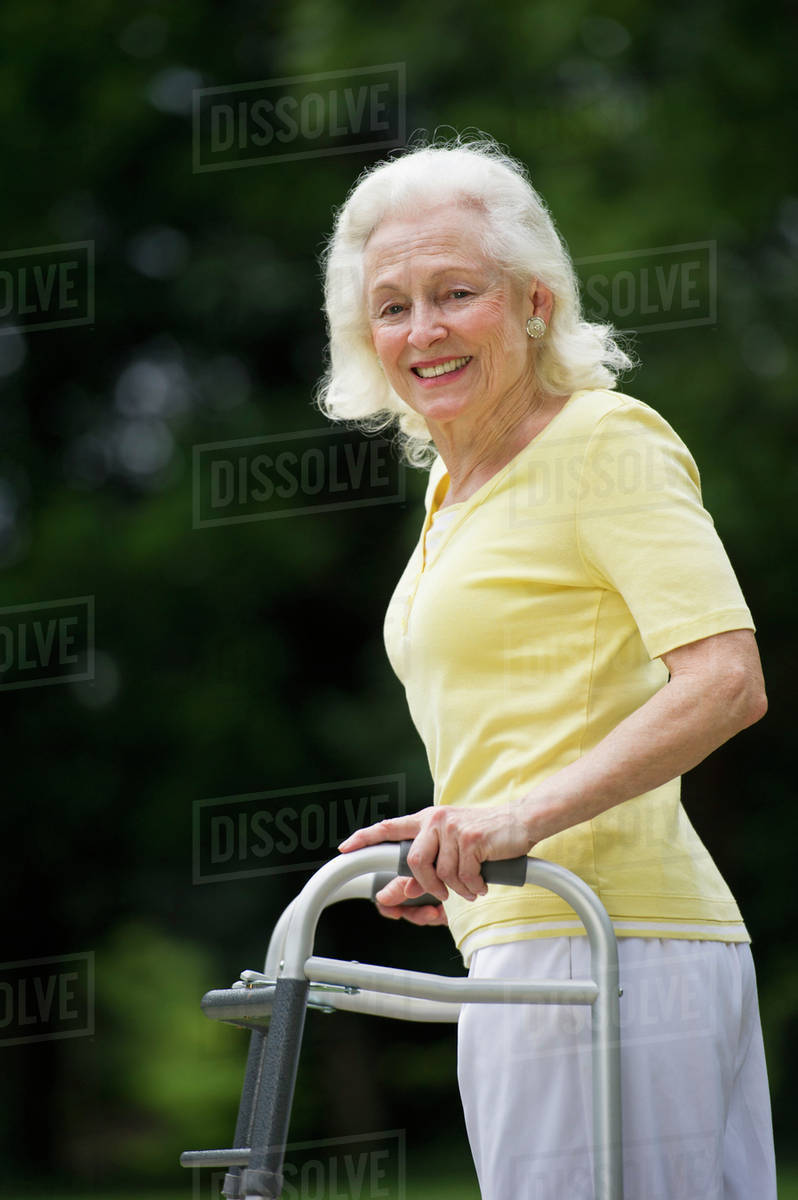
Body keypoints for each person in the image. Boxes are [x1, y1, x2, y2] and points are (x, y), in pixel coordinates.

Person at [317, 134, 777, 1198]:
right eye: (393, 306)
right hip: (523, 937)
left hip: (615, 941)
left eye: (456, 292)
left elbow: (726, 680)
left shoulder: (603, 442)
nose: (424, 329)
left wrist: (518, 820)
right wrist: (461, 849)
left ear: (534, 301)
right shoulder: (452, 492)